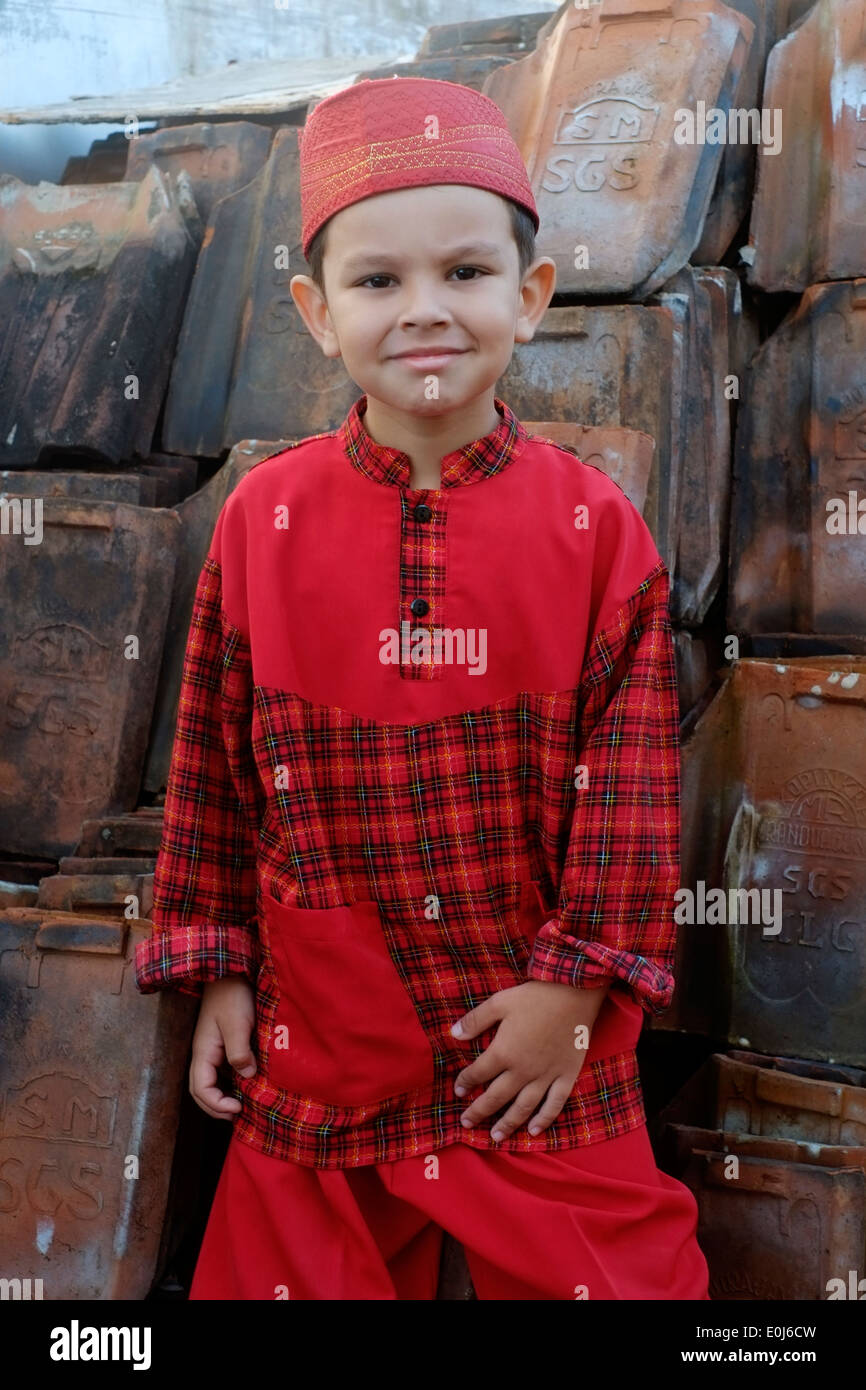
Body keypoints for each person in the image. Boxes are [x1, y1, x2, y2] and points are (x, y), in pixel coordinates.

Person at [135, 76, 709, 1301]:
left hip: (532, 1044)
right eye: (378, 282)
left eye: (464, 272)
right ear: (314, 311)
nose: (425, 312)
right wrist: (222, 966)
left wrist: (574, 982)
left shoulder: (593, 526)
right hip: (327, 1037)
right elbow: (212, 766)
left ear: (531, 295)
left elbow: (633, 784)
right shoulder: (261, 520)